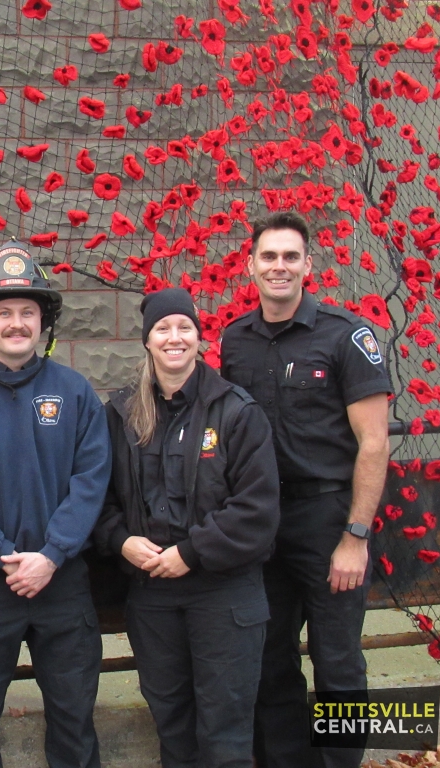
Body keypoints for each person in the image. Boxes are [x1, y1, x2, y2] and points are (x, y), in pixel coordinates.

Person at [220, 212, 392, 768]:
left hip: (327, 519)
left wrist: (355, 537)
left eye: (290, 257)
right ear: (251, 265)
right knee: (268, 659)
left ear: (308, 266)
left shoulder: (345, 335)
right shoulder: (235, 341)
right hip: (261, 523)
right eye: (268, 257)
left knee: (337, 660)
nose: (279, 267)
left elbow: (373, 444)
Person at [0, 240, 111, 768]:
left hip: (62, 582)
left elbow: (91, 481)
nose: (16, 323)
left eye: (27, 312)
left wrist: (52, 553)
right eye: (3, 312)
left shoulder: (77, 394)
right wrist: (3, 554)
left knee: (75, 716)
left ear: (43, 323)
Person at [95, 287, 280, 768]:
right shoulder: (120, 414)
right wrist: (121, 540)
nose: (174, 338)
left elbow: (256, 510)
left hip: (224, 594)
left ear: (200, 338)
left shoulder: (237, 412)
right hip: (152, 595)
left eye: (184, 328)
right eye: (162, 328)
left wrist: (191, 552)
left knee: (225, 735)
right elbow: (98, 497)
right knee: (173, 726)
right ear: (147, 340)